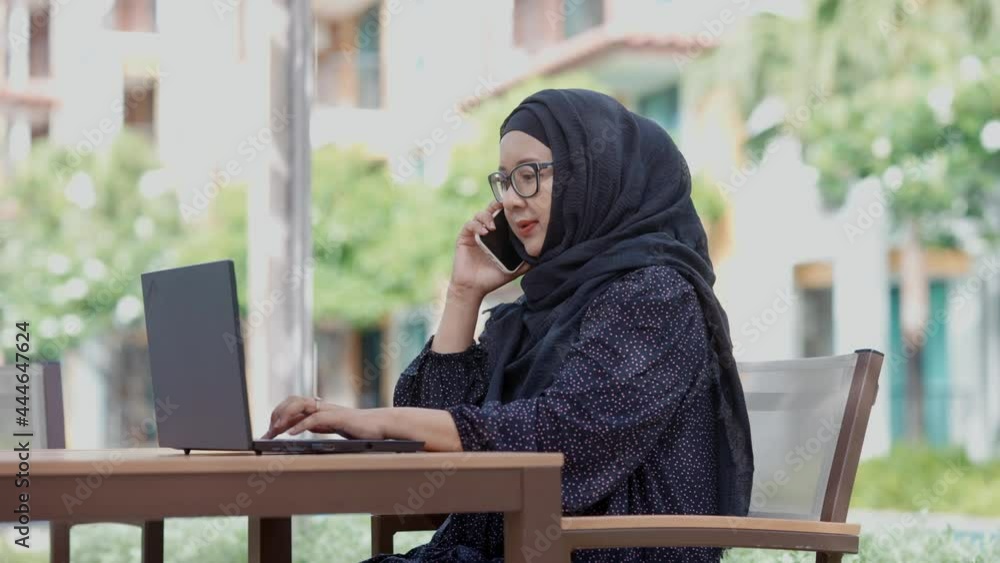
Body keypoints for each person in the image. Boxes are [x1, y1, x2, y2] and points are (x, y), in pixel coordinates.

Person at [263, 88, 754, 562]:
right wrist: (464, 294)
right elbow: (429, 431)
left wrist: (371, 418)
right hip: (519, 547)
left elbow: (562, 438)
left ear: (595, 175)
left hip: (596, 550)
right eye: (504, 181)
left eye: (529, 175)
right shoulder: (535, 312)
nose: (513, 199)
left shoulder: (653, 295)